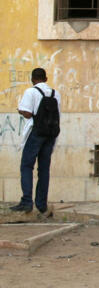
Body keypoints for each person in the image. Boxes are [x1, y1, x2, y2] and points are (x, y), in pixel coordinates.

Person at [12, 68, 61, 214]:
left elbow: (27, 114)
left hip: (36, 133)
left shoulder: (31, 92)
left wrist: (20, 110)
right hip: (51, 134)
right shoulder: (55, 93)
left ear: (32, 79)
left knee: (27, 166)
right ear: (46, 79)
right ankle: (41, 204)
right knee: (44, 169)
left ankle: (27, 202)